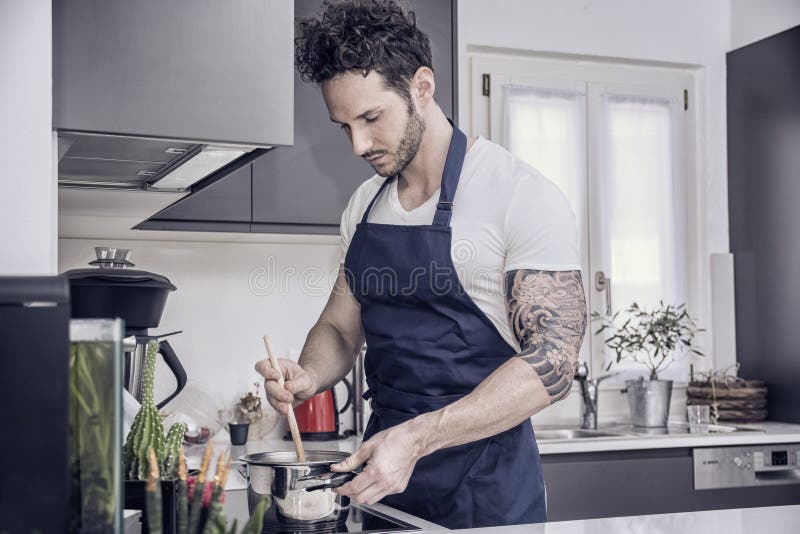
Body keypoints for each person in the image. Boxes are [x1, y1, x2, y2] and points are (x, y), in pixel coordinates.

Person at [255, 0, 587, 528]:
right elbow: (341, 329)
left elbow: (554, 362)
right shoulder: (364, 204)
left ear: (422, 87)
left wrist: (417, 437)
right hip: (384, 488)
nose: (358, 144)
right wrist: (309, 376)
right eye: (343, 126)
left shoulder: (517, 195)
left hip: (488, 495)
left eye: (371, 118)